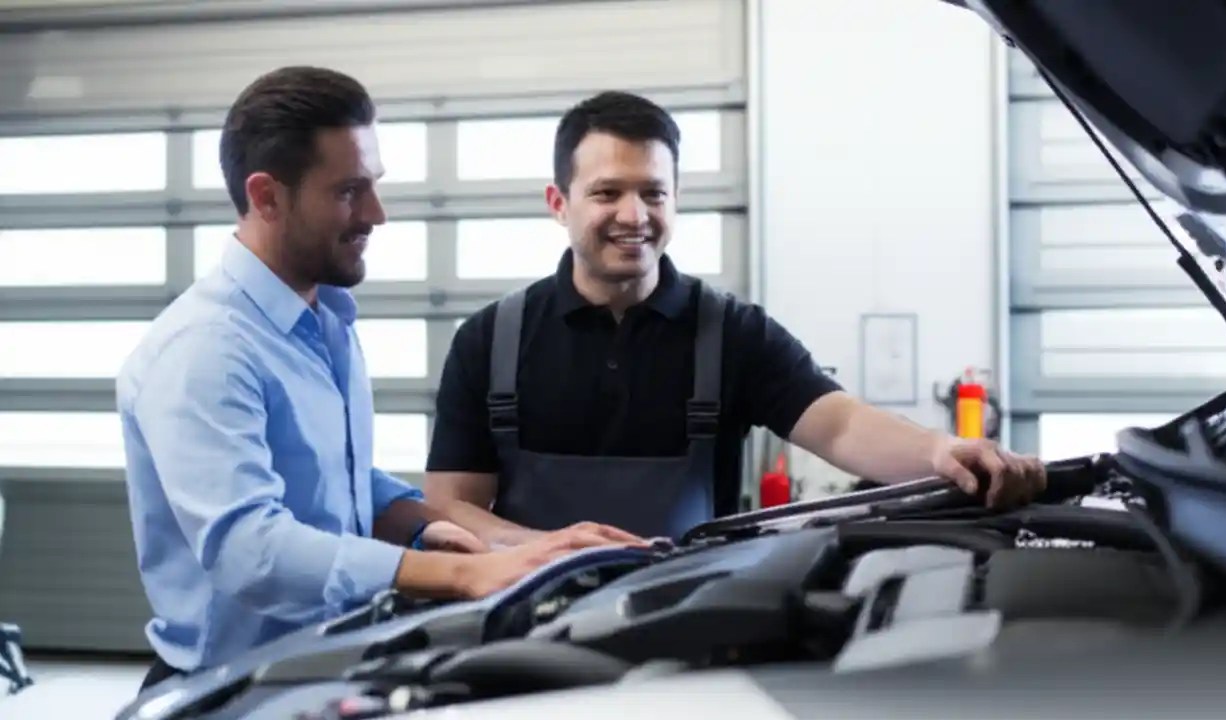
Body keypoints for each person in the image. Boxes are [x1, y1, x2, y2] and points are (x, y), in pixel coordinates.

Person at [116, 67, 640, 692]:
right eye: (348, 191)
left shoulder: (324, 319)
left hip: (316, 669)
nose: (377, 214)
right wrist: (456, 575)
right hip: (223, 690)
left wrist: (464, 536)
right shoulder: (204, 349)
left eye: (374, 186)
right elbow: (250, 550)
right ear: (267, 197)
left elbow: (337, 478)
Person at [422, 90, 1049, 547]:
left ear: (677, 199)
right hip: (526, 613)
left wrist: (943, 450)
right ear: (559, 203)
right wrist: (544, 549)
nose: (634, 215)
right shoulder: (490, 340)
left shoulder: (731, 333)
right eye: (608, 192)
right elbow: (449, 506)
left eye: (653, 192)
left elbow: (838, 424)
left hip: (691, 616)